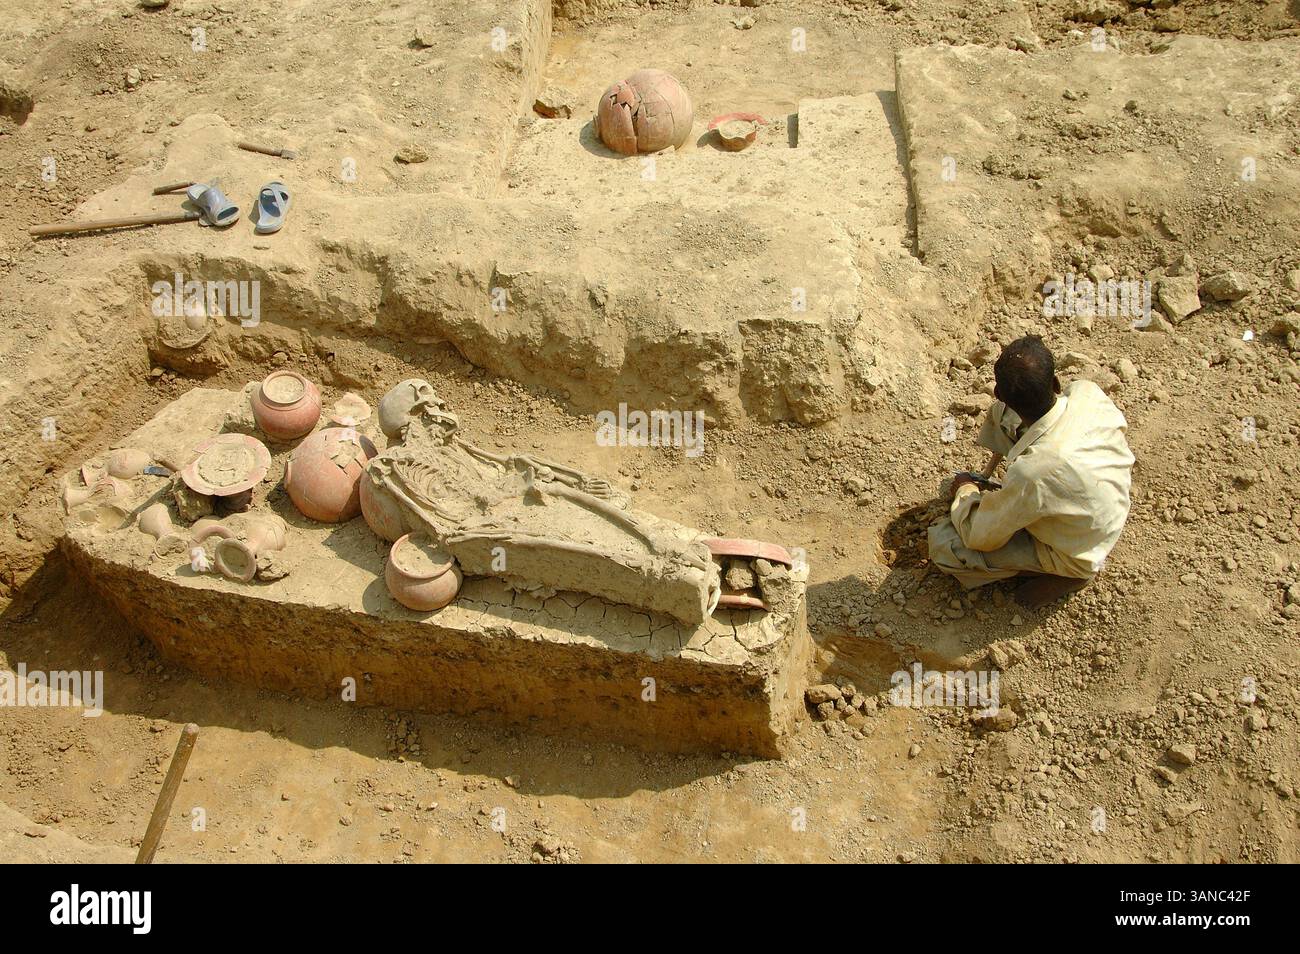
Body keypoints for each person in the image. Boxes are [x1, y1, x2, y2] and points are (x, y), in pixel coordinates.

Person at [927, 336, 1134, 609]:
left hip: (1080, 547)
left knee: (945, 545)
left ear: (998, 393)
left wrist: (966, 491)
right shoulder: (1088, 392)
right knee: (1003, 416)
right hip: (1104, 502)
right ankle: (1000, 490)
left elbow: (980, 537)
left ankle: (1071, 572)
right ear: (1057, 384)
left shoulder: (1032, 475)